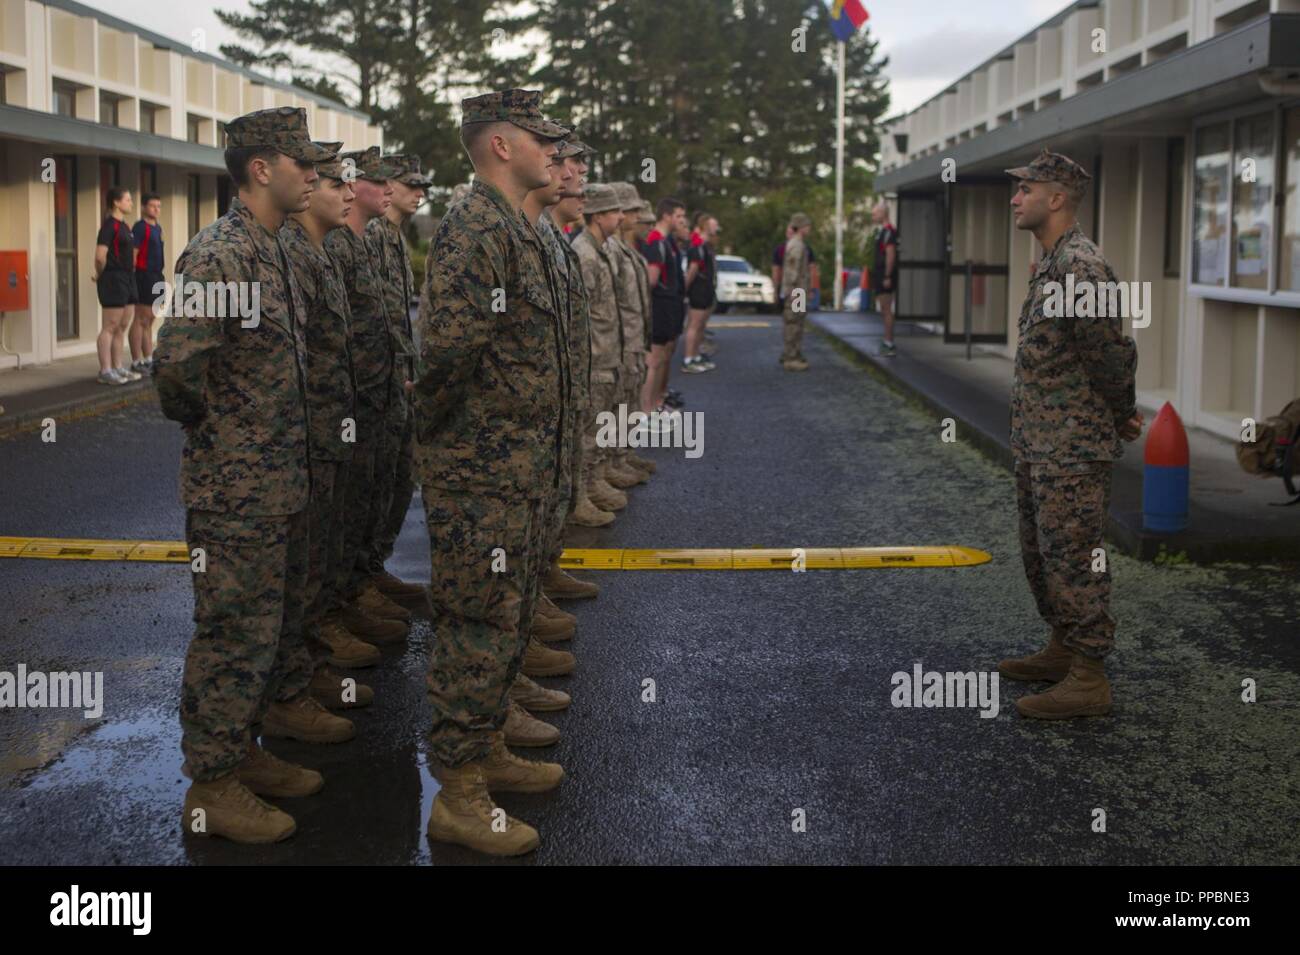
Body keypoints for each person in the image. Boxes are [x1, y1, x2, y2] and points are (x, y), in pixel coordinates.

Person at [153, 106, 352, 845]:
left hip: (278, 483)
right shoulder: (222, 253)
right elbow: (176, 370)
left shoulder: (274, 250)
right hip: (236, 491)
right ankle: (211, 784)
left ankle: (242, 753)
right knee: (232, 632)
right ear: (261, 168)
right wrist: (226, 438)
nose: (314, 173)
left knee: (266, 628)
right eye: (302, 162)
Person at [415, 88, 569, 856]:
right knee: (474, 624)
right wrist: (455, 452)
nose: (554, 151)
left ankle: (488, 747)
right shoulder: (476, 228)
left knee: (502, 619)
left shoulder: (514, 228)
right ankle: (459, 792)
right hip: (480, 475)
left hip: (516, 468)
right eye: (541, 138)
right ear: (502, 146)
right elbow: (444, 359)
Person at [997, 148, 1143, 720]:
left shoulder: (1080, 265)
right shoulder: (1052, 262)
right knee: (1043, 554)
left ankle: (1088, 675)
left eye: (1025, 190)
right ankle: (1062, 648)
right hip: (1041, 441)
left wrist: (1122, 410)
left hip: (1073, 447)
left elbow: (1109, 352)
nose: (1015, 199)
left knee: (1075, 556)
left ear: (1056, 198)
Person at [281, 150, 382, 703]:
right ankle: (291, 690)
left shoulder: (319, 252)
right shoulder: (283, 254)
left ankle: (310, 659)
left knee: (318, 559)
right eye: (332, 183)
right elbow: (184, 376)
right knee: (288, 577)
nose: (346, 193)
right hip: (293, 448)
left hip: (329, 434)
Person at [324, 147, 410, 649]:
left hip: (375, 399)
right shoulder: (335, 246)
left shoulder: (361, 243)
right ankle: (338, 611)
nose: (393, 190)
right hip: (345, 412)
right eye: (384, 182)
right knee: (340, 515)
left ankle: (361, 582)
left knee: (373, 495)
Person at [365, 154, 432, 603]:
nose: (418, 193)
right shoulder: (370, 237)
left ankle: (373, 569)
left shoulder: (394, 238)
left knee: (395, 480)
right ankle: (360, 580)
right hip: (373, 386)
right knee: (369, 488)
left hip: (396, 382)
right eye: (411, 185)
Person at [573, 183, 629, 517]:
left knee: (600, 427)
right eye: (614, 211)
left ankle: (594, 482)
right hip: (594, 360)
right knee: (588, 433)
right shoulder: (585, 254)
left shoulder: (600, 250)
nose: (621, 217)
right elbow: (582, 315)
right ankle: (581, 495)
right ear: (597, 215)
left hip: (607, 356)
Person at [641, 197, 688, 420]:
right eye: (678, 216)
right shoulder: (655, 240)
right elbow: (651, 280)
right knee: (654, 358)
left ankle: (656, 402)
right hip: (660, 304)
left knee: (662, 357)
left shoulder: (666, 242)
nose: (682, 220)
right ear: (666, 216)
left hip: (670, 304)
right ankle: (647, 411)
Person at [93, 186, 139, 385]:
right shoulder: (108, 226)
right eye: (128, 200)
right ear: (116, 203)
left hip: (128, 278)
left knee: (122, 325)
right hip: (113, 278)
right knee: (110, 326)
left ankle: (118, 366)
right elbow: (99, 256)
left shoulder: (125, 227)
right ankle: (105, 370)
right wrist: (101, 274)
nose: (131, 203)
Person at [130, 193, 165, 373]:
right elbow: (133, 254)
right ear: (144, 207)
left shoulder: (158, 228)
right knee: (140, 319)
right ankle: (136, 361)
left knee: (150, 320)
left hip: (157, 275)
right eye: (152, 206)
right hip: (143, 276)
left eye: (158, 206)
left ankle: (148, 357)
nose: (156, 209)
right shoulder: (140, 227)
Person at [682, 213, 719, 373]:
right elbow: (693, 270)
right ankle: (689, 359)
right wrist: (684, 289)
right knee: (694, 326)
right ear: (705, 226)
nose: (717, 227)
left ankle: (695, 355)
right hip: (699, 290)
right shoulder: (697, 245)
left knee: (700, 327)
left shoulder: (706, 245)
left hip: (706, 290)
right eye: (714, 224)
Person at [780, 212, 813, 371]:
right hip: (797, 291)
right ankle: (791, 357)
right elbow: (793, 270)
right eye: (807, 226)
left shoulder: (796, 243)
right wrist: (793, 291)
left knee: (797, 323)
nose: (809, 229)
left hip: (798, 290)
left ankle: (794, 353)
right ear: (801, 227)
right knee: (794, 324)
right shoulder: (797, 245)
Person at [871, 202, 899, 356]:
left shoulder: (889, 232)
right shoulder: (881, 232)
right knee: (883, 309)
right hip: (880, 275)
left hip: (885, 276)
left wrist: (887, 275)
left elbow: (890, 255)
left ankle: (889, 343)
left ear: (883, 213)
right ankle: (887, 340)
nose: (873, 217)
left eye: (875, 214)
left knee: (887, 309)